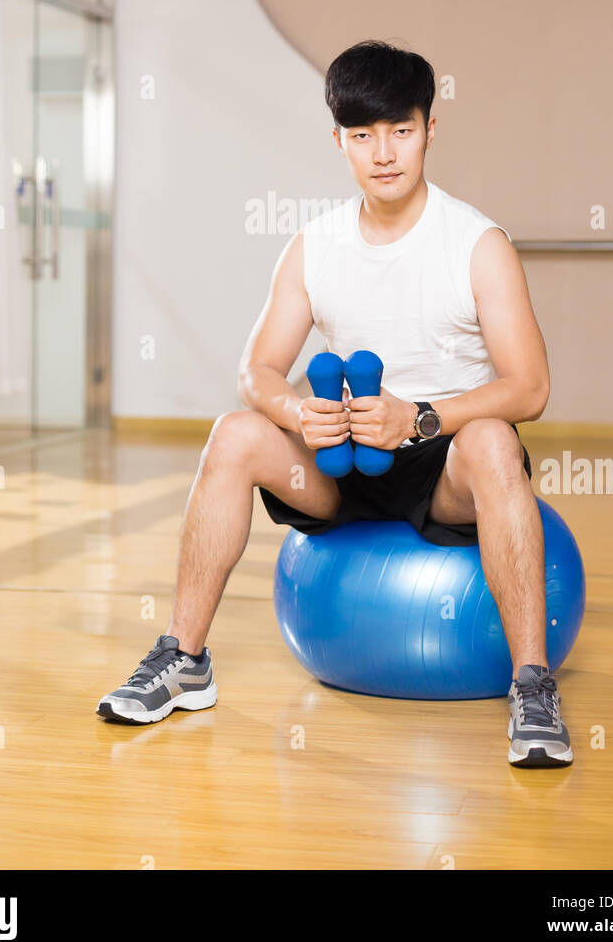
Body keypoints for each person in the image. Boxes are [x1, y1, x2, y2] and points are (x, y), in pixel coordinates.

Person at [97, 40, 573, 768]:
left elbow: (530, 387)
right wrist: (296, 414)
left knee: (494, 440)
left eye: (400, 132)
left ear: (430, 131)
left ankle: (532, 687)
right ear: (340, 141)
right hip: (338, 461)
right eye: (362, 136)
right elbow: (256, 370)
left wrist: (415, 417)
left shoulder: (477, 244)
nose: (383, 154)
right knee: (233, 434)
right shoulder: (315, 246)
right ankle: (183, 659)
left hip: (441, 464)